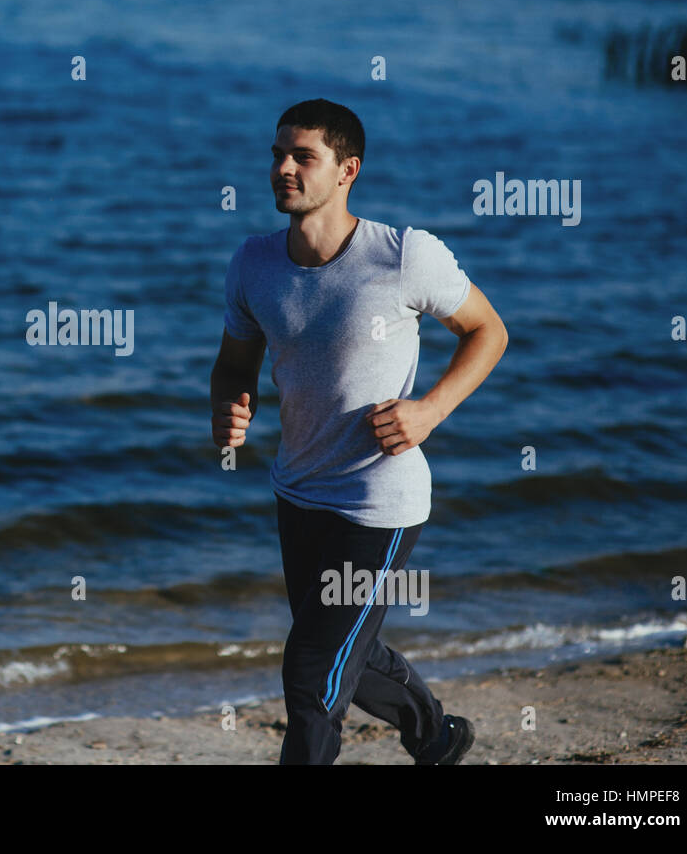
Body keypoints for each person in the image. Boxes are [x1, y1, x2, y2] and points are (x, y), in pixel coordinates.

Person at [210, 99, 508, 765]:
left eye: (302, 157)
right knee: (348, 647)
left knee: (312, 674)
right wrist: (229, 404)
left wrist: (429, 410)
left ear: (347, 170)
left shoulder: (403, 256)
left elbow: (489, 330)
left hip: (380, 503)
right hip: (298, 491)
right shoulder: (253, 265)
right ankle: (438, 735)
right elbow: (234, 365)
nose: (282, 168)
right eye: (277, 154)